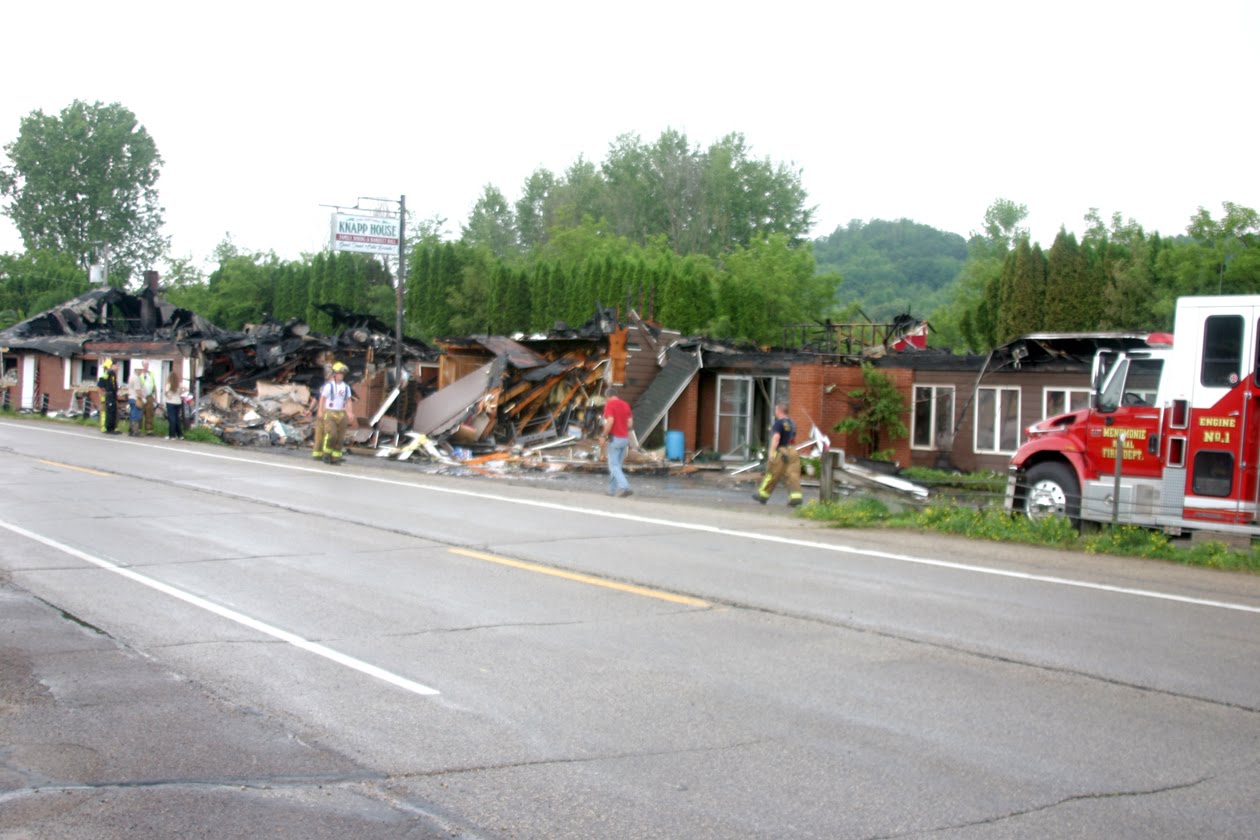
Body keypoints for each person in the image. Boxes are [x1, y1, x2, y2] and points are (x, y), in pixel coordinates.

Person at [754, 402, 803, 506]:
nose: (775, 412)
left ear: (779, 411)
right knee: (792, 475)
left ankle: (762, 495)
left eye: (776, 410)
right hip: (793, 451)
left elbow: (776, 438)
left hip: (781, 451)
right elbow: (793, 438)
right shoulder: (792, 423)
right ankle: (796, 498)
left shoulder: (779, 423)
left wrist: (771, 452)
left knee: (772, 474)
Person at [312, 361, 357, 464]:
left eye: (342, 373)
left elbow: (348, 400)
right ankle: (326, 454)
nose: (341, 375)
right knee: (331, 434)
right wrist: (320, 411)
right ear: (335, 374)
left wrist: (350, 413)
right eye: (339, 373)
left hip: (341, 413)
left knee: (340, 437)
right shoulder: (328, 386)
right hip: (330, 413)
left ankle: (335, 457)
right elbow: (322, 399)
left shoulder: (346, 387)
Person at [601, 386, 634, 497]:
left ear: (608, 396)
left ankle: (625, 487)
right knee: (617, 466)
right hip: (624, 438)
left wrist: (603, 435)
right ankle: (611, 490)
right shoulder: (625, 405)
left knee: (613, 466)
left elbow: (610, 421)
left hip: (615, 438)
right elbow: (629, 424)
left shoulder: (609, 405)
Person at [127, 360, 158, 437]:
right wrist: (143, 398)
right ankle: (136, 430)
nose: (146, 366)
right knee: (137, 414)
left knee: (149, 413)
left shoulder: (150, 374)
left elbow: (154, 385)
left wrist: (155, 397)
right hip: (139, 397)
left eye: (147, 364)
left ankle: (148, 430)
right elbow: (138, 390)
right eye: (144, 365)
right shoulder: (137, 377)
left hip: (148, 396)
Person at [96, 358, 120, 434]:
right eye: (116, 366)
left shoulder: (112, 375)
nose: (117, 367)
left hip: (112, 396)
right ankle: (107, 428)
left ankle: (113, 427)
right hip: (108, 396)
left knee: (113, 411)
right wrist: (102, 396)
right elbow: (99, 387)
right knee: (108, 412)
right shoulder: (106, 375)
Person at [163, 369, 185, 440]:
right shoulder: (179, 384)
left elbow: (166, 392)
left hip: (170, 402)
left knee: (171, 419)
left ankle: (172, 435)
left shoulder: (169, 384)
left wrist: (168, 396)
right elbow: (185, 389)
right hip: (178, 402)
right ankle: (180, 435)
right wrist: (180, 393)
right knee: (177, 418)